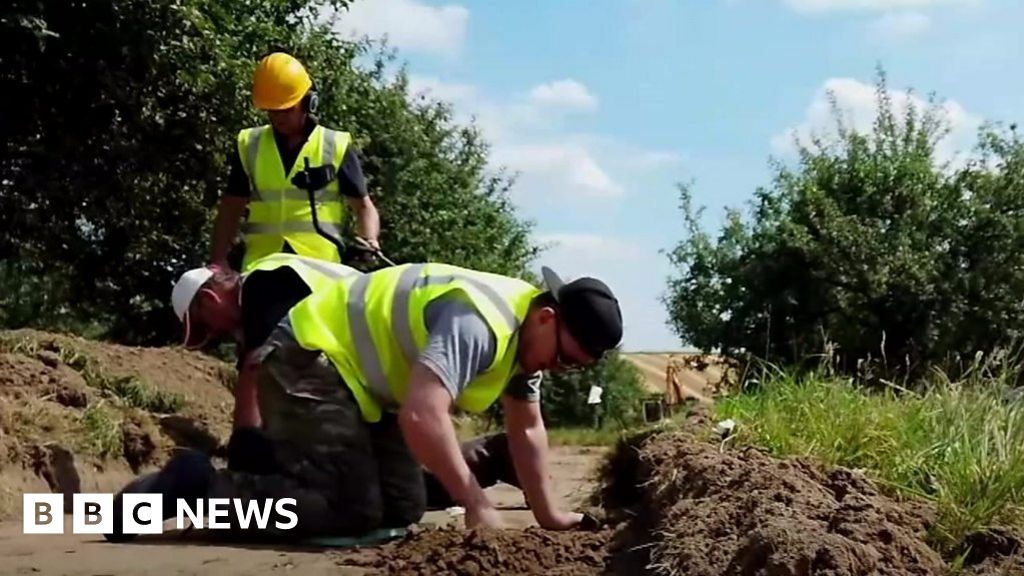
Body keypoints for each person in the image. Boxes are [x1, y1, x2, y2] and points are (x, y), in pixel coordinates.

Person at [106, 262, 622, 541]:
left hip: (364, 388)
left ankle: (302, 481)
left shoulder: (527, 346)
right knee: (351, 508)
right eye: (566, 359)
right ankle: (201, 487)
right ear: (548, 318)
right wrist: (476, 504)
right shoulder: (480, 322)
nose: (562, 370)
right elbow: (424, 413)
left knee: (402, 507)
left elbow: (527, 427)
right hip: (307, 356)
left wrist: (549, 514)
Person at [209, 52, 381, 273]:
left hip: (321, 270)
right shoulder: (249, 145)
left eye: (287, 110)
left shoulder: (335, 145)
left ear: (309, 102)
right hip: (261, 268)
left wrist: (369, 240)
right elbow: (230, 209)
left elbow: (364, 207)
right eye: (273, 111)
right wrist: (217, 262)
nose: (279, 117)